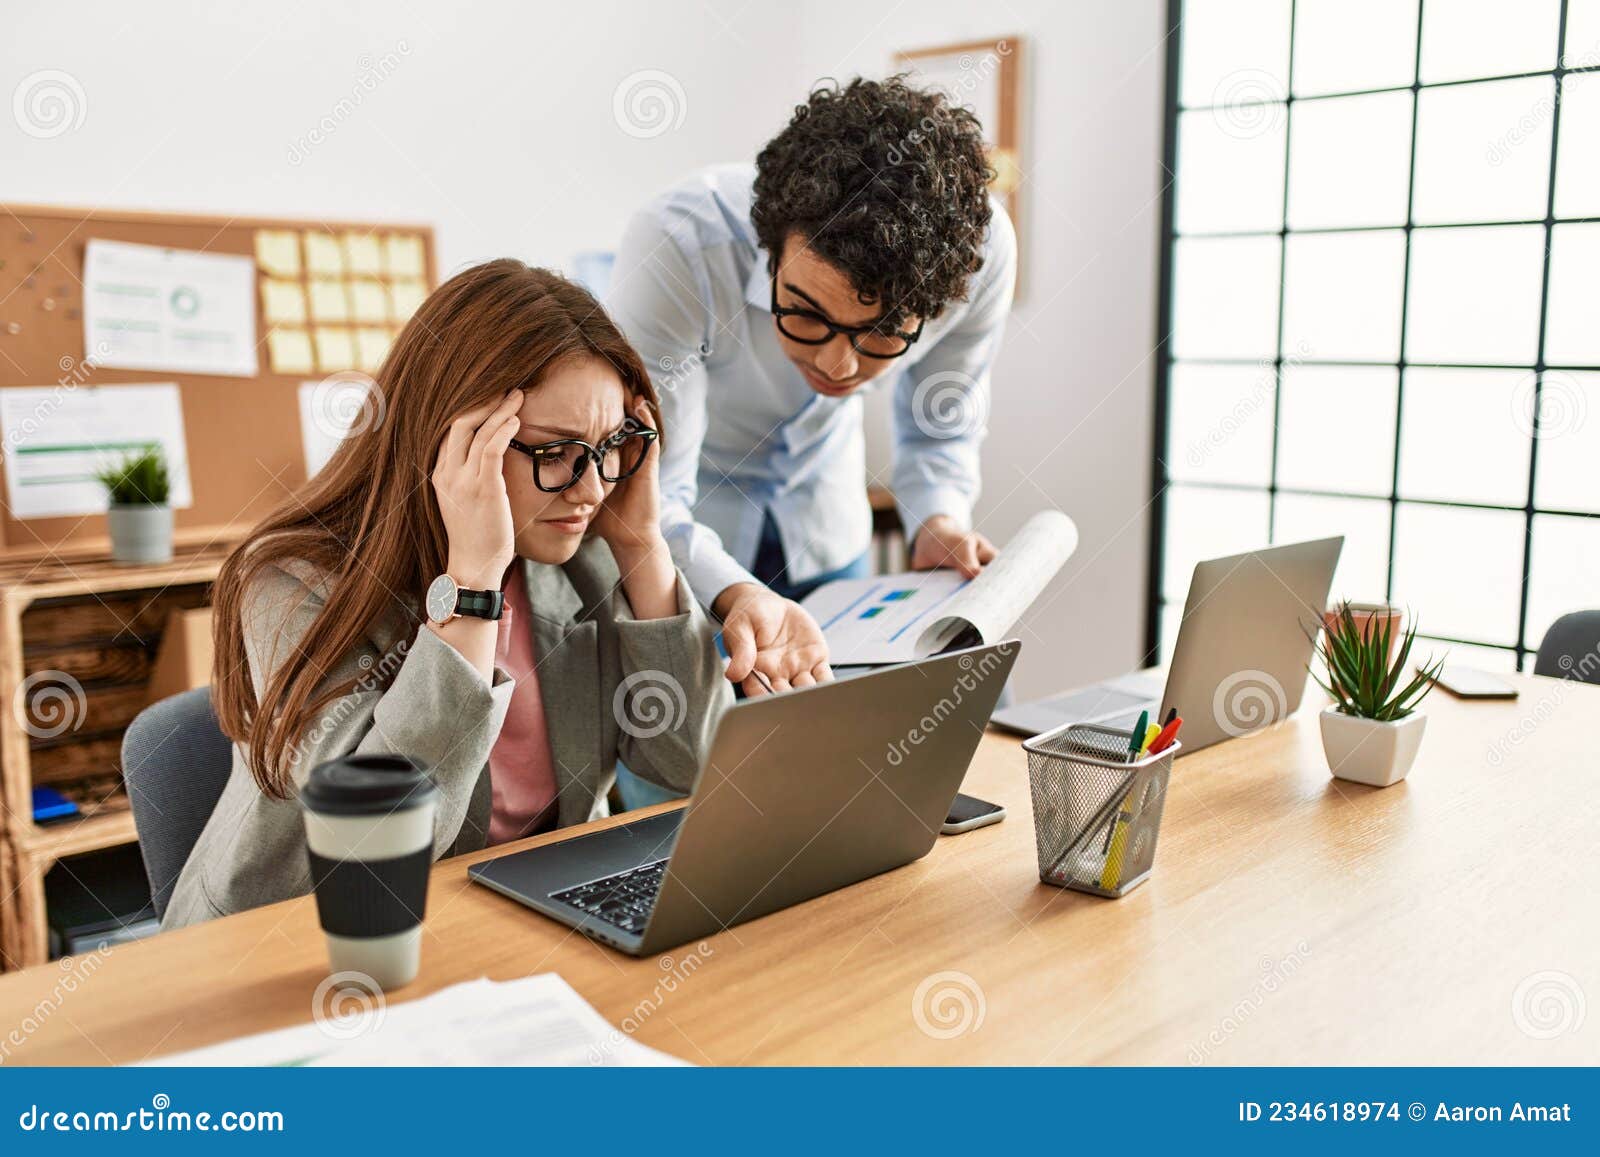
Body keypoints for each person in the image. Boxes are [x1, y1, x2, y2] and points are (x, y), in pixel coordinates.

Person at [163, 260, 730, 928]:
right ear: (452, 441)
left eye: (611, 447)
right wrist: (473, 583)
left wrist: (643, 547)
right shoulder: (289, 582)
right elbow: (371, 848)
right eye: (554, 451)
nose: (592, 487)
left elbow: (692, 764)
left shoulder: (582, 557)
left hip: (504, 922)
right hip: (302, 940)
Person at [608, 75, 1016, 701]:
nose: (840, 366)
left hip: (826, 523)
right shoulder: (679, 246)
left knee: (845, 756)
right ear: (770, 247)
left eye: (880, 334)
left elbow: (943, 421)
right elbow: (645, 491)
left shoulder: (977, 258)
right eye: (806, 314)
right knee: (689, 773)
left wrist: (937, 518)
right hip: (685, 535)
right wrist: (734, 590)